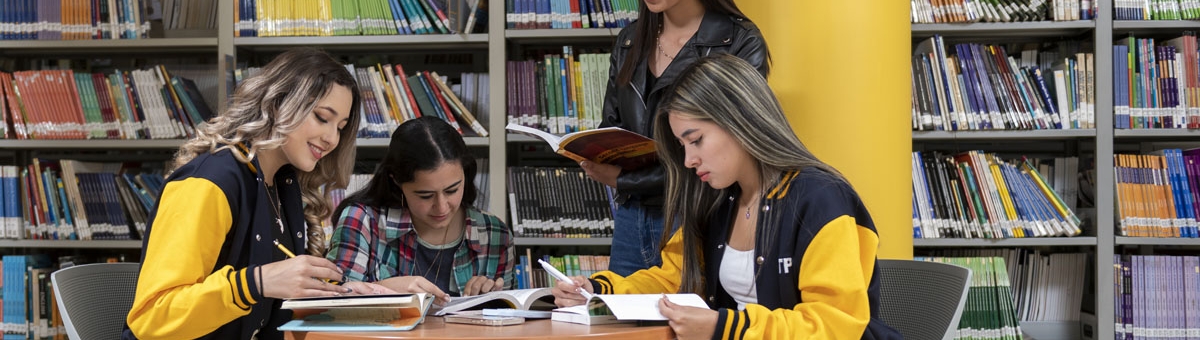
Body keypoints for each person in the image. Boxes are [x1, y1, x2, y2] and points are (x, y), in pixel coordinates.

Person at [553, 54, 902, 340]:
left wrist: (725, 328)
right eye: (683, 146)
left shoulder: (822, 199)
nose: (689, 161)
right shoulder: (716, 199)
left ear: (739, 120)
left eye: (697, 140)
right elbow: (670, 278)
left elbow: (835, 325)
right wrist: (597, 289)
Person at [126, 47, 395, 340]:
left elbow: (280, 297)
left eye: (341, 127)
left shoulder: (284, 184)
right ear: (279, 103)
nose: (332, 139)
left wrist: (353, 292)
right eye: (322, 117)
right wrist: (256, 282)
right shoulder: (208, 183)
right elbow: (152, 318)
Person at [581, 0, 771, 276]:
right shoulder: (629, 40)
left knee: (691, 312)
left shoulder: (740, 40)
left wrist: (624, 180)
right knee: (619, 314)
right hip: (632, 216)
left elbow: (731, 148)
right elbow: (613, 123)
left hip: (698, 210)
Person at [327, 116, 514, 299]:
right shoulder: (362, 221)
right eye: (425, 195)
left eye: (452, 190)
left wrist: (492, 301)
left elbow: (510, 318)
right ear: (397, 182)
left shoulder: (495, 233)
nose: (441, 207)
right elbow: (331, 302)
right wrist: (384, 289)